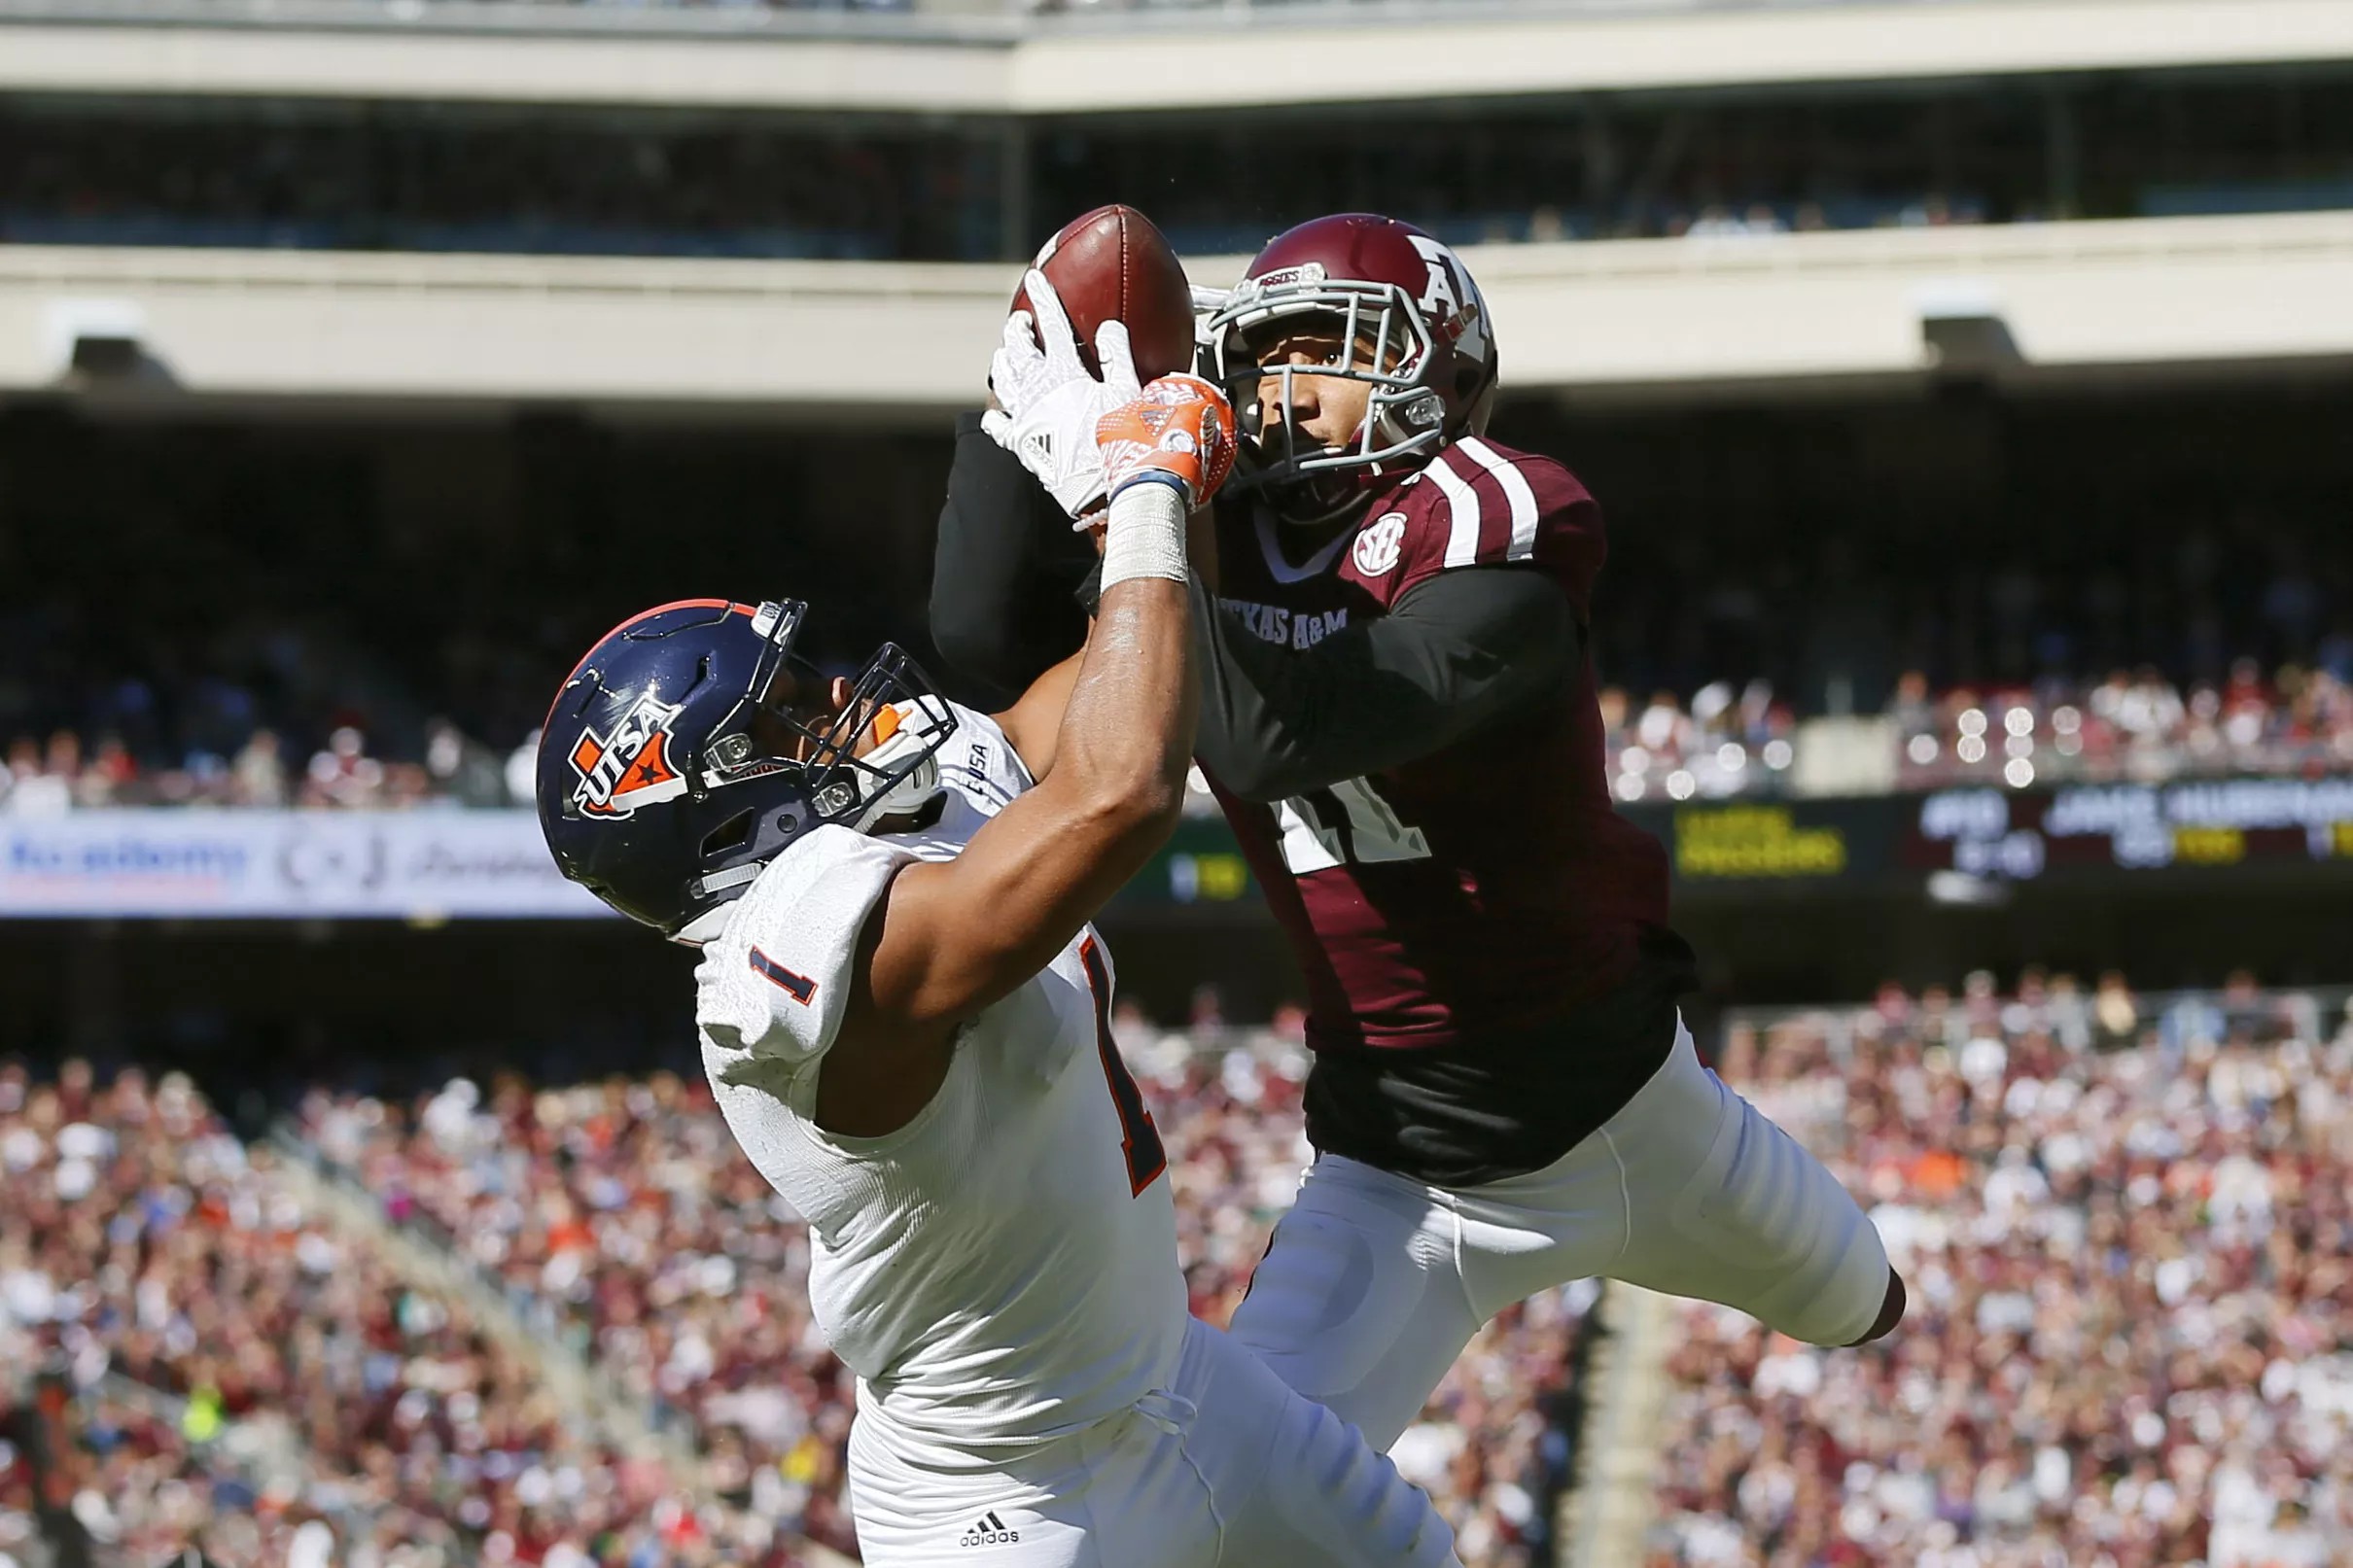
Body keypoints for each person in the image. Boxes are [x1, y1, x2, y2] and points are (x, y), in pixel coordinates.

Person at [932, 212, 1905, 1452]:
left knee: (1861, 1299)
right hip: (1396, 1171)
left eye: (1323, 347)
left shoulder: (1494, 511)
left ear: (1438, 368)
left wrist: (1135, 513)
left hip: (1634, 1107)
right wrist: (1014, 421)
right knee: (1227, 1511)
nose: (1282, 390)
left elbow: (1298, 729)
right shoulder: (1199, 519)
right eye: (1262, 355)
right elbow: (982, 642)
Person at [537, 371, 1457, 1567]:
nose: (833, 699)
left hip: (1178, 1382)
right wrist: (1139, 492)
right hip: (1007, 1505)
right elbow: (1118, 792)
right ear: (708, 817)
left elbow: (1139, 676)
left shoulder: (888, 820)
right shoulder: (784, 955)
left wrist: (1168, 468)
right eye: (775, 721)